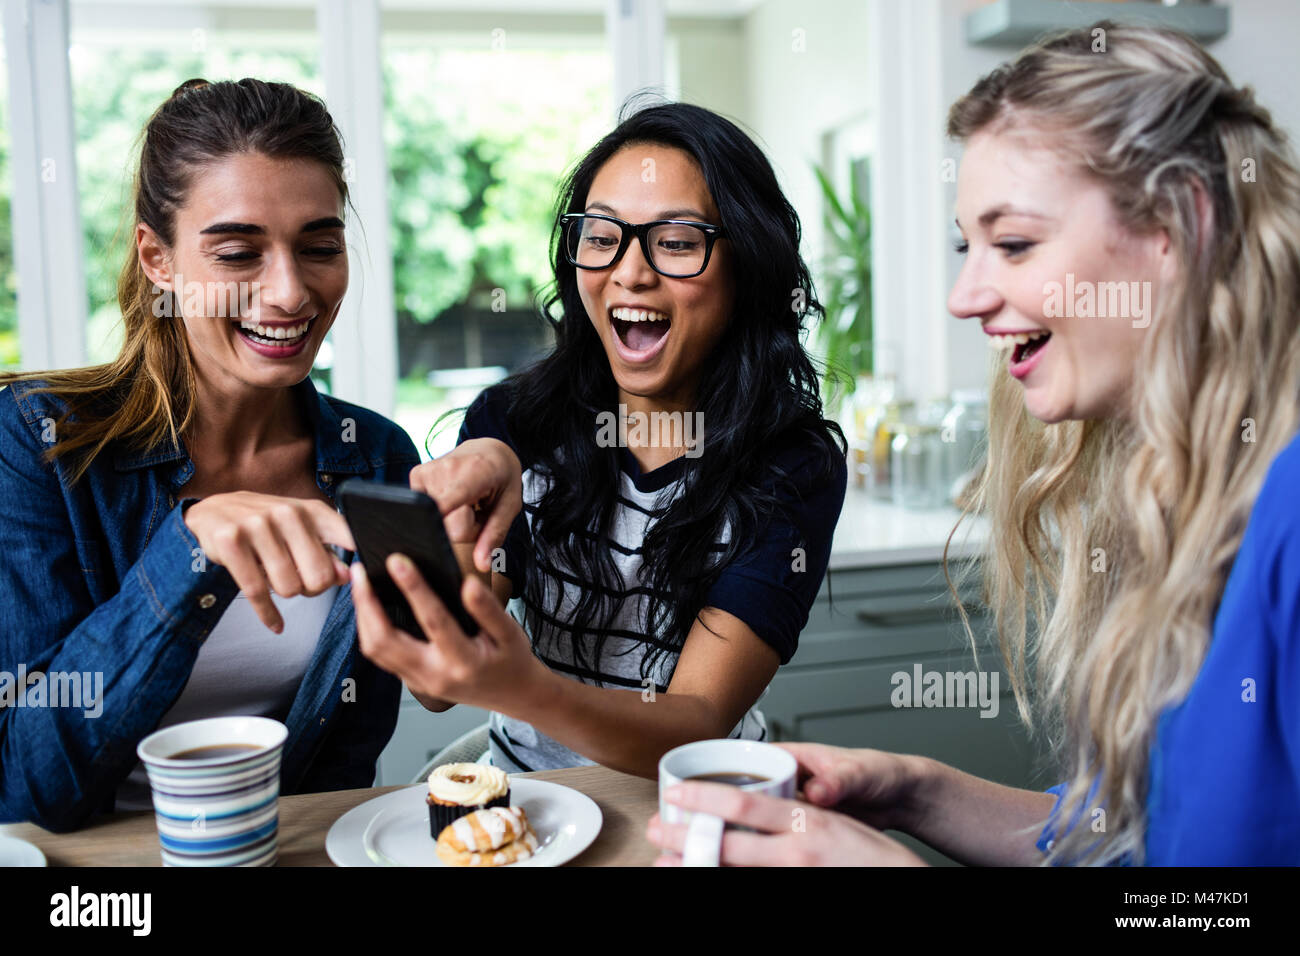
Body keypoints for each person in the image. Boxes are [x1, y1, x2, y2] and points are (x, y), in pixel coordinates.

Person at [647, 22, 1300, 865]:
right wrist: (916, 792)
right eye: (969, 245)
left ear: (1180, 223)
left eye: (1016, 243)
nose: (965, 295)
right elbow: (1139, 845)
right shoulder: (1188, 496)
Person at [350, 101, 848, 777]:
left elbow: (697, 720)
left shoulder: (793, 464)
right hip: (531, 795)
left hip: (701, 798)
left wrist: (524, 689)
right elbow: (436, 688)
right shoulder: (512, 424)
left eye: (675, 242)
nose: (630, 271)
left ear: (746, 268)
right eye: (601, 234)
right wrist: (449, 541)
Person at [0, 78, 430, 830]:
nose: (290, 293)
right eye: (238, 253)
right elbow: (26, 785)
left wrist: (482, 565)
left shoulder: (376, 455)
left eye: (320, 247)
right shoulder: (36, 443)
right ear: (157, 258)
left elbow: (414, 704)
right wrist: (189, 551)